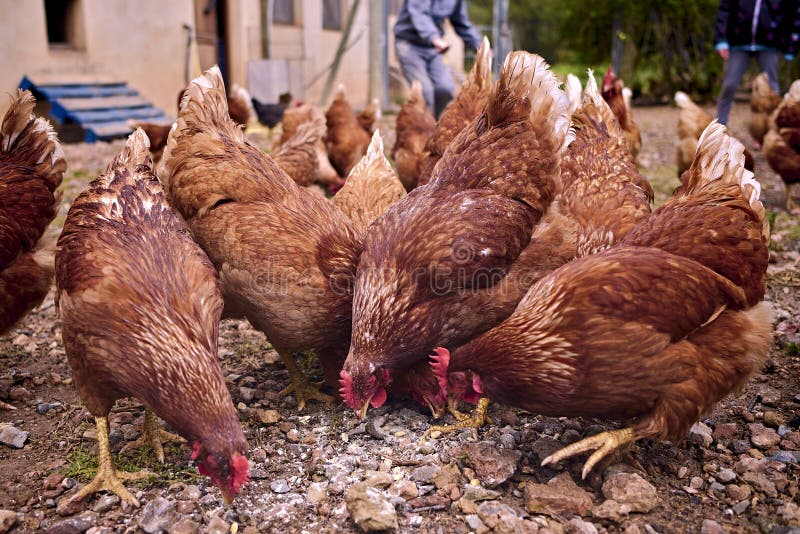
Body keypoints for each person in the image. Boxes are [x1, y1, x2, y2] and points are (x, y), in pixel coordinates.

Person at [714, 0, 800, 125]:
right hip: (738, 41)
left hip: (770, 42)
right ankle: (719, 125)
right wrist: (721, 40)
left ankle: (773, 125)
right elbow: (724, 10)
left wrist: (791, 45)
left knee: (772, 88)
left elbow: (792, 12)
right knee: (729, 84)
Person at [394, 0, 482, 118]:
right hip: (409, 44)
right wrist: (434, 38)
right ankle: (425, 125)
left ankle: (433, 122)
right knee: (424, 91)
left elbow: (462, 23)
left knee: (445, 88)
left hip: (433, 48)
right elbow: (419, 14)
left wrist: (479, 46)